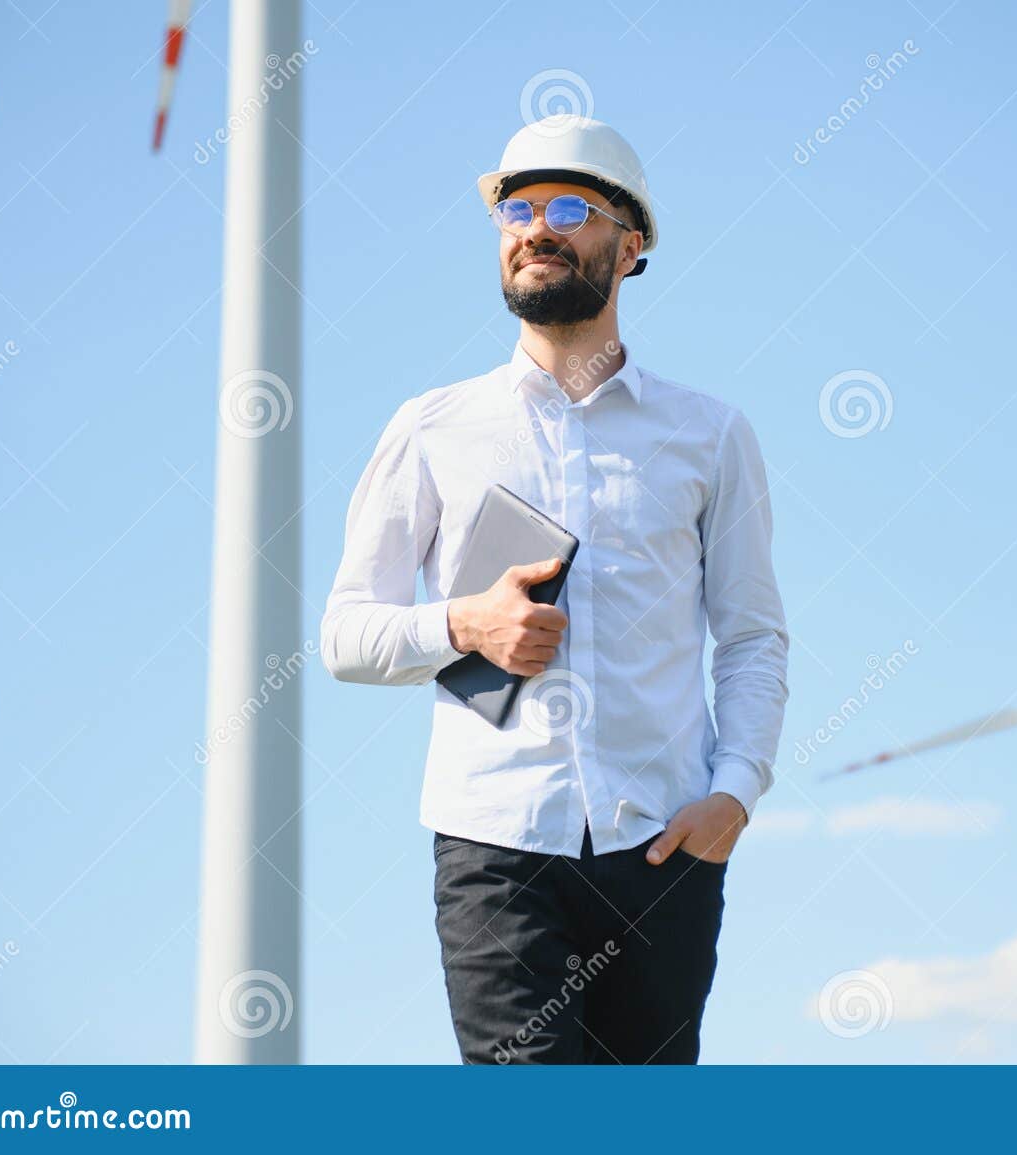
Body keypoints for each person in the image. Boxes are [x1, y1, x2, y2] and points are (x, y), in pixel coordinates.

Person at [319, 115, 789, 1064]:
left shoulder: (711, 434)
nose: (538, 228)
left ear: (632, 242)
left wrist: (734, 794)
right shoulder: (431, 427)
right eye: (518, 210)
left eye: (570, 207)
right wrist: (467, 623)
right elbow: (345, 635)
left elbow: (752, 639)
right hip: (495, 849)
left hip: (664, 847)